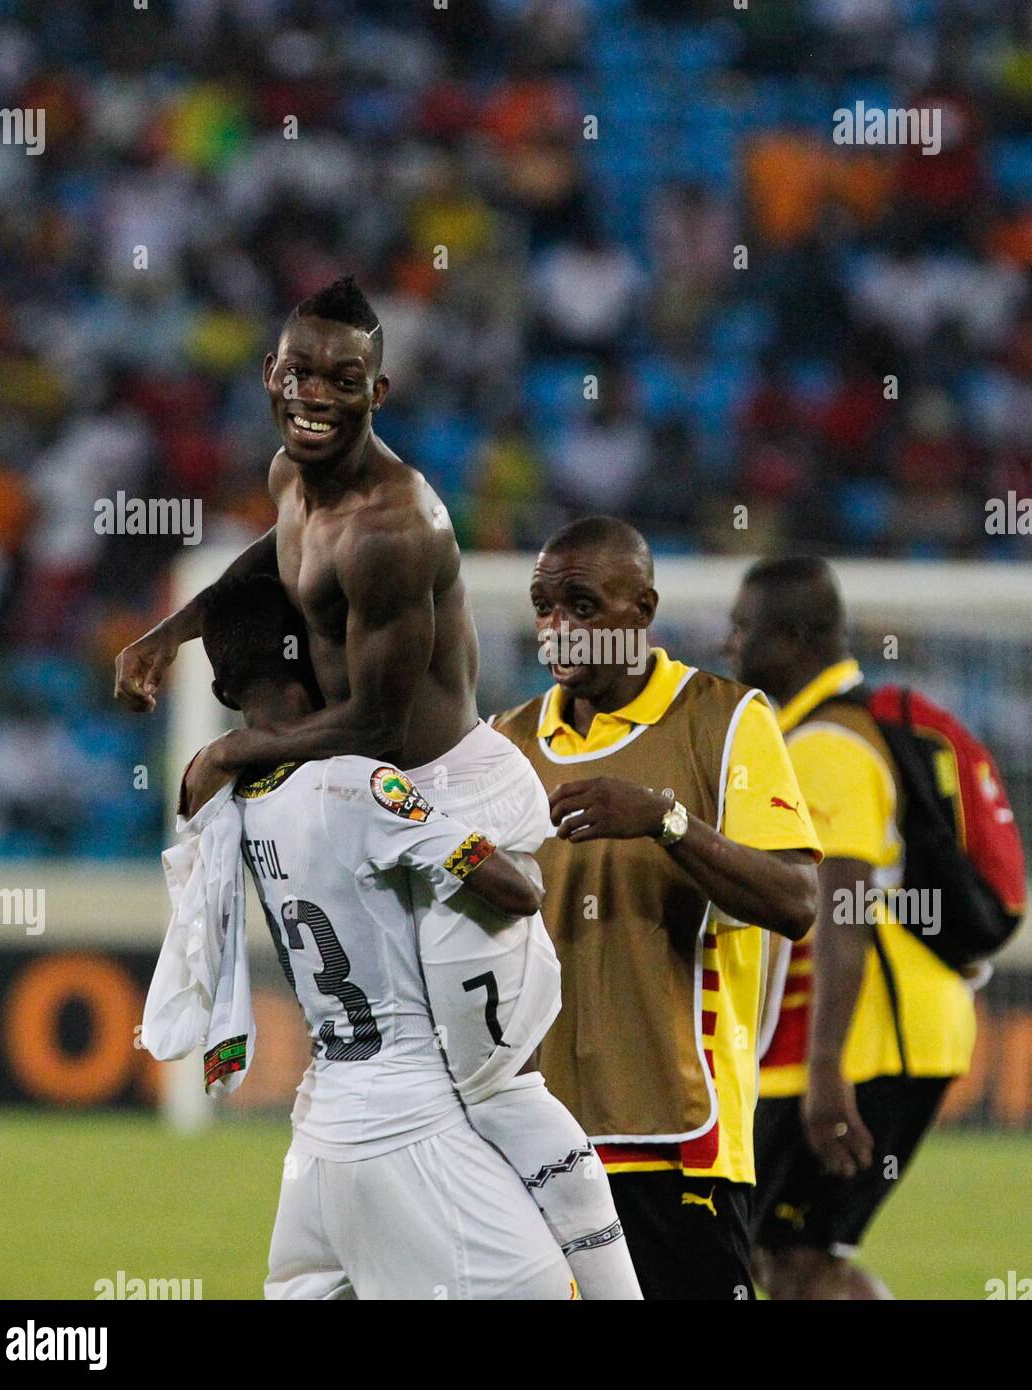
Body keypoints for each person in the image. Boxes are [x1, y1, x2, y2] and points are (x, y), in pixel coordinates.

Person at [195, 572, 639, 1297]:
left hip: (319, 1135)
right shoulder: (358, 784)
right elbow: (513, 890)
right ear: (311, 655)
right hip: (407, 1126)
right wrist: (473, 839)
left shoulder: (241, 802)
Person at [491, 516, 822, 1300]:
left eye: (580, 604)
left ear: (642, 609)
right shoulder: (506, 743)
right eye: (542, 605)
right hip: (533, 1137)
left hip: (679, 1133)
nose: (556, 627)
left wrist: (665, 822)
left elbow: (795, 900)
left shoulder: (724, 719)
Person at [113, 275, 479, 810]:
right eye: (298, 374)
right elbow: (280, 546)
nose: (314, 397)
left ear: (377, 393)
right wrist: (170, 634)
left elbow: (380, 725)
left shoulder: (392, 531)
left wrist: (234, 749)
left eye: (343, 381)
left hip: (447, 795)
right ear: (270, 373)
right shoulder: (288, 474)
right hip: (374, 793)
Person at [726, 556, 976, 1300]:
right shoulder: (840, 726)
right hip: (883, 1031)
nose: (728, 646)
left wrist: (827, 1072)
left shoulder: (827, 748)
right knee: (791, 1258)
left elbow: (843, 912)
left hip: (866, 1041)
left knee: (792, 1263)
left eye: (745, 630)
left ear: (796, 637)